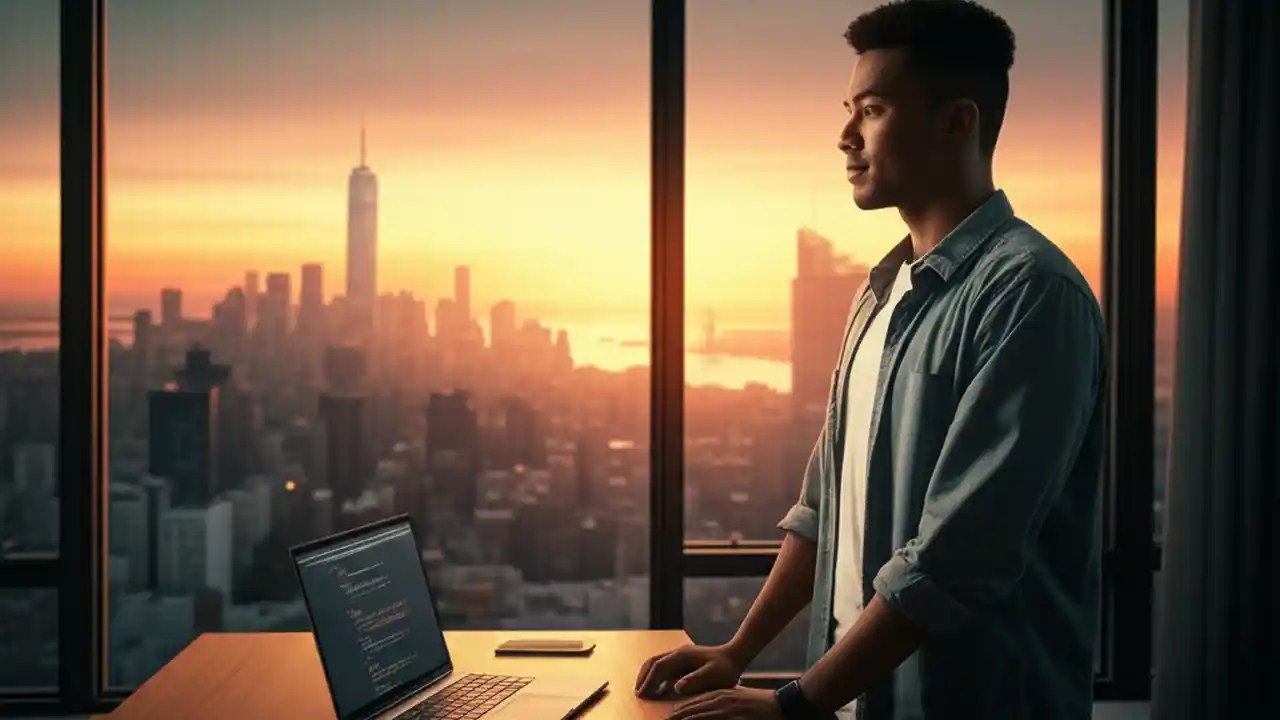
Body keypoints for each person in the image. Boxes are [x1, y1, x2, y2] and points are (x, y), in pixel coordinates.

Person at [635, 1, 1107, 718]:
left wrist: (795, 704)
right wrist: (738, 652)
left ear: (958, 122)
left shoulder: (1031, 294)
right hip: (857, 701)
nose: (845, 137)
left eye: (874, 110)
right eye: (848, 109)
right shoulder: (882, 292)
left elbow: (959, 555)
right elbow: (822, 508)